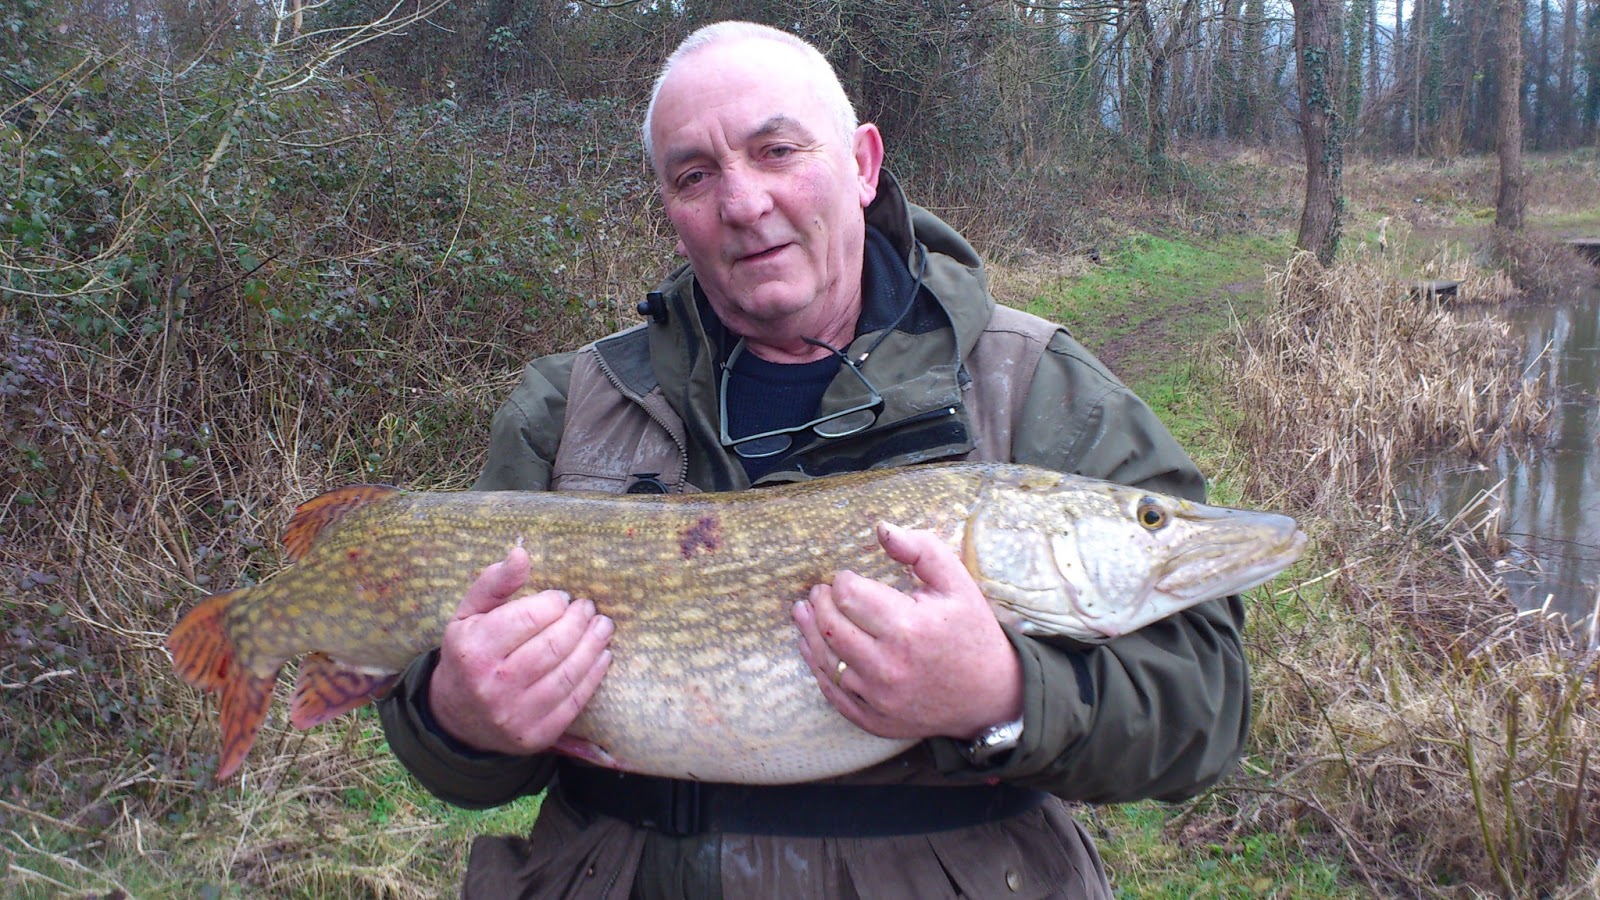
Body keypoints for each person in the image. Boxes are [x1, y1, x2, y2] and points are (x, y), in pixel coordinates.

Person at [379, 20, 1248, 899]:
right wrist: (457, 719)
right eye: (695, 175)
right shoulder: (570, 408)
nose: (743, 202)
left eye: (777, 150)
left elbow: (1205, 704)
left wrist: (1001, 692)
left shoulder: (1035, 385)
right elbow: (446, 748)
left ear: (864, 163)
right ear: (671, 209)